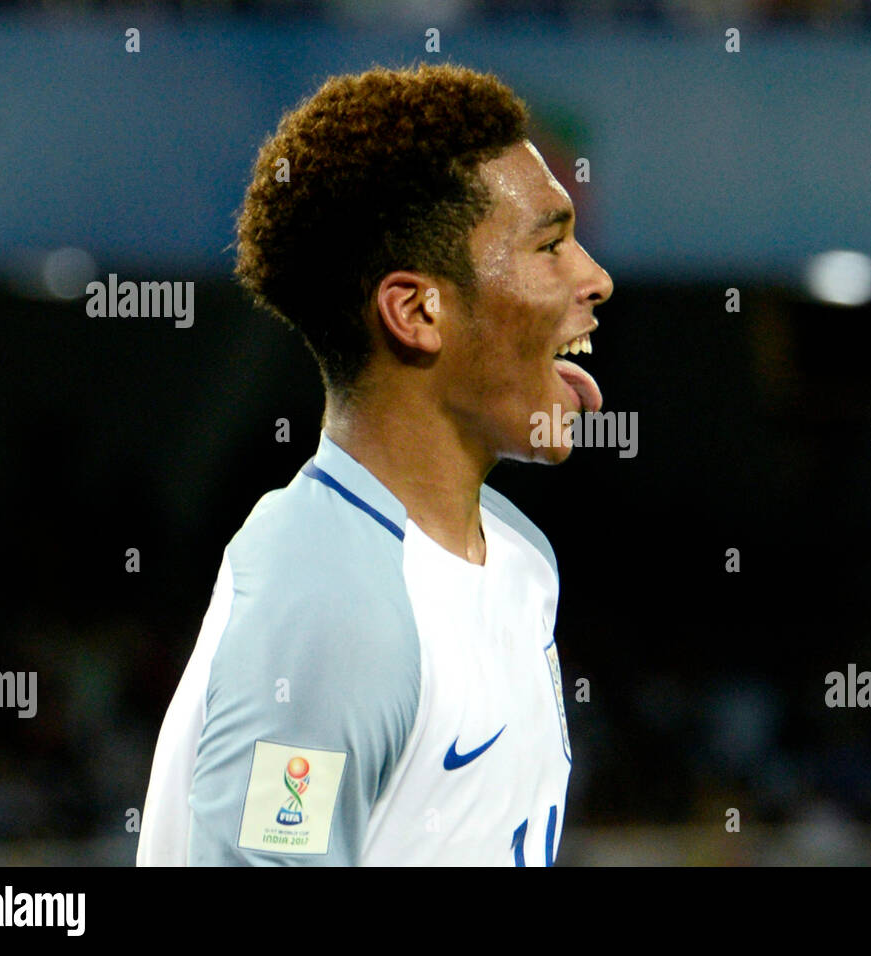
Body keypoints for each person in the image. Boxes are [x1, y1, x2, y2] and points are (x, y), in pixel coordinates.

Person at [136, 63, 613, 865]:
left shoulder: (521, 557)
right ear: (417, 311)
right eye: (550, 245)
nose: (594, 278)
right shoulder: (329, 600)